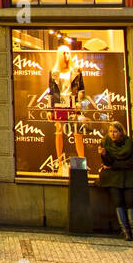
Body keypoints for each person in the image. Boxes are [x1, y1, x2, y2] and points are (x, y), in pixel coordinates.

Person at [99, 122, 133, 241]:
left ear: (121, 132)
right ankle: (126, 232)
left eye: (115, 132)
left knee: (130, 202)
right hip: (113, 178)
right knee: (118, 202)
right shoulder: (105, 143)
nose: (112, 134)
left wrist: (114, 164)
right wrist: (104, 156)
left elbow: (129, 162)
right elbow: (107, 163)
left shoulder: (128, 143)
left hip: (129, 177)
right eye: (111, 132)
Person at [49, 43, 87, 173]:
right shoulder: (54, 72)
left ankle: (82, 164)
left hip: (72, 102)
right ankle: (59, 164)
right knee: (59, 132)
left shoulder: (76, 70)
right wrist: (50, 110)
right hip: (60, 102)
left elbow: (81, 89)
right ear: (59, 55)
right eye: (64, 53)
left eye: (68, 52)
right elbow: (51, 92)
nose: (66, 55)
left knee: (77, 133)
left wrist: (79, 102)